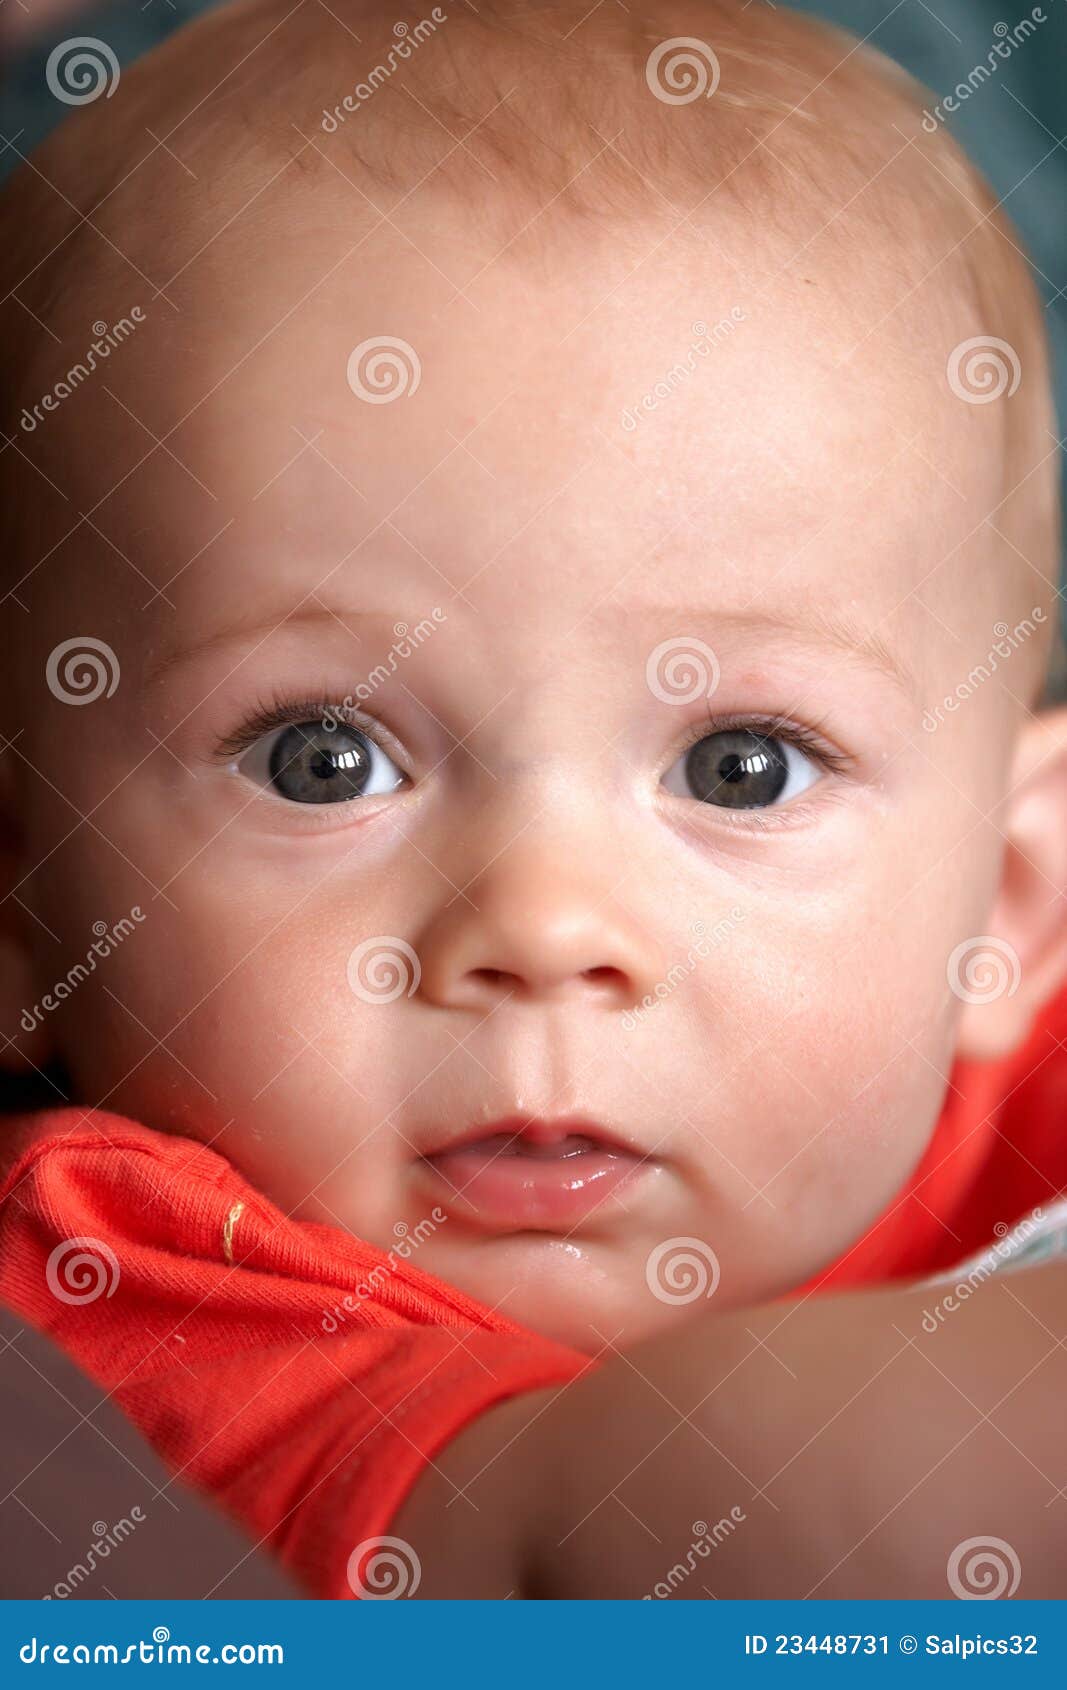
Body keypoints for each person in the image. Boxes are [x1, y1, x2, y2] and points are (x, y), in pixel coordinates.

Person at [1, 0, 1065, 1599]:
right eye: (323, 758)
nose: (546, 927)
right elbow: (582, 1534)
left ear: (1006, 898)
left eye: (741, 765)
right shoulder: (120, 1279)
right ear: (25, 898)